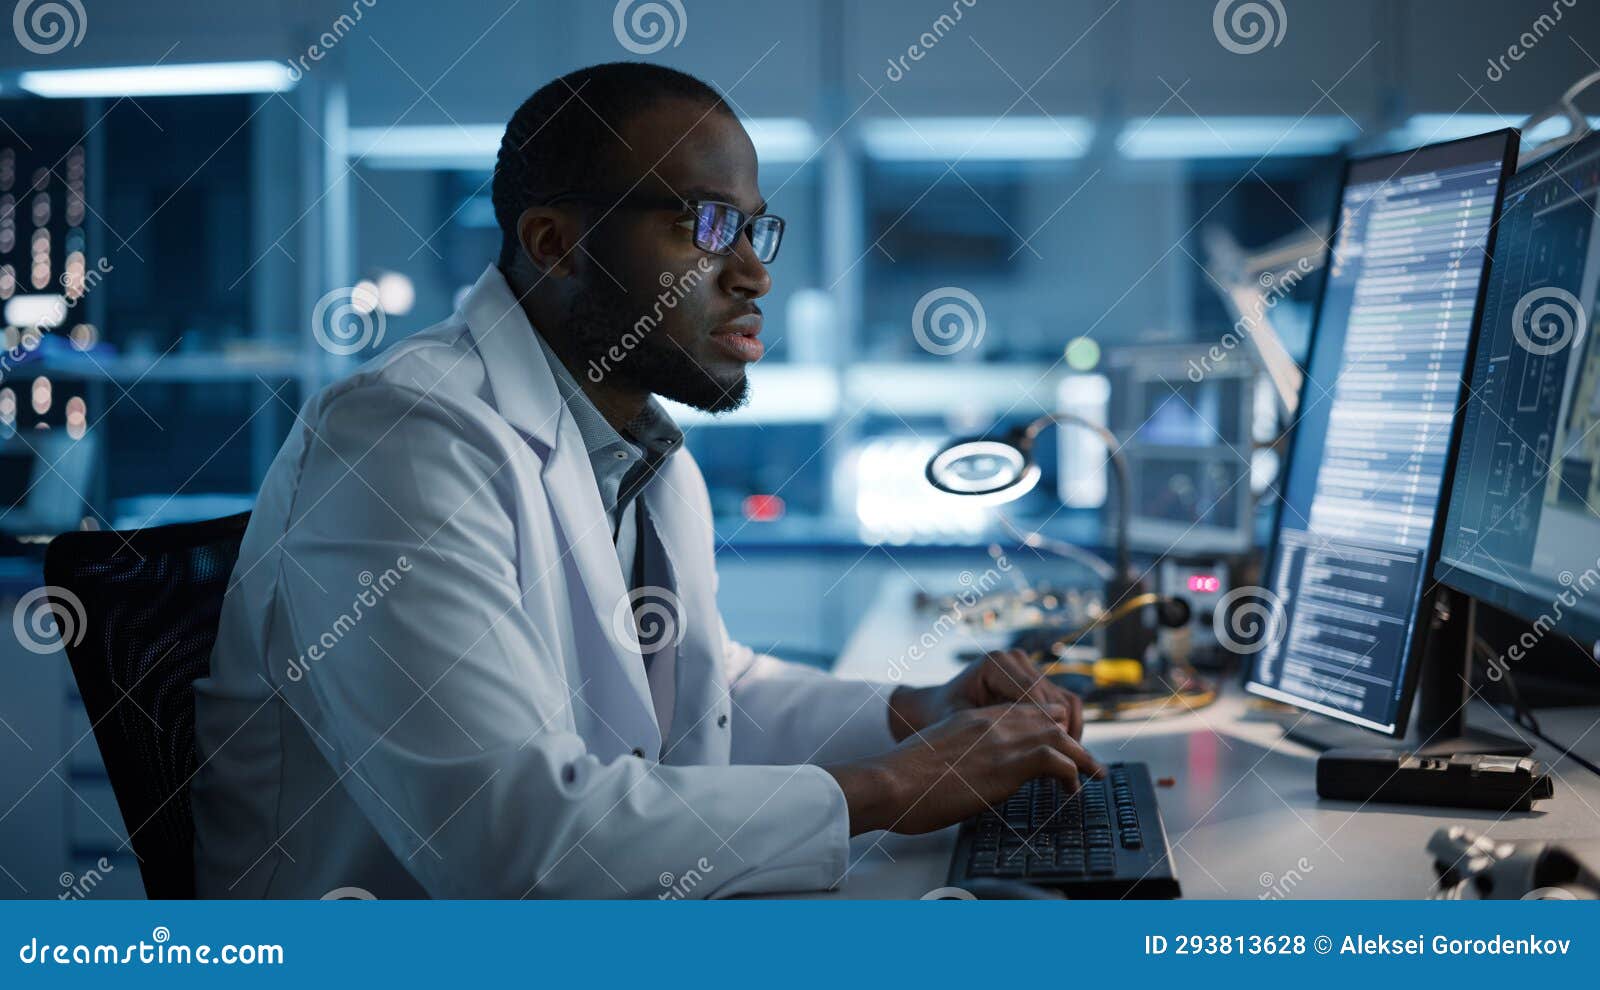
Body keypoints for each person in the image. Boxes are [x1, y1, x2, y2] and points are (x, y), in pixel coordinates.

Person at [191, 62, 1100, 899]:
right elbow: (511, 839)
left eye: (753, 227)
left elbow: (706, 696)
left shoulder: (639, 448)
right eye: (704, 223)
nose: (753, 273)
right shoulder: (402, 436)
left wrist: (916, 712)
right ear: (555, 243)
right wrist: (890, 787)